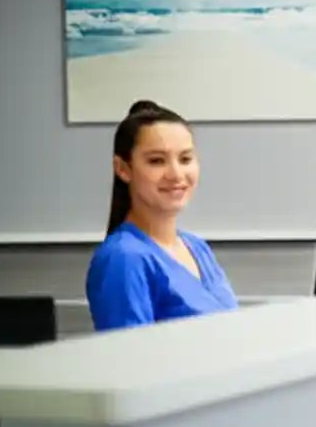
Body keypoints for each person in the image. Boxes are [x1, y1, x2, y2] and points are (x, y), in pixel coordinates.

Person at [85, 100, 239, 332]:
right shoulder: (124, 259)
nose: (176, 174)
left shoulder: (197, 247)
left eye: (185, 159)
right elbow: (129, 352)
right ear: (123, 168)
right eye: (156, 161)